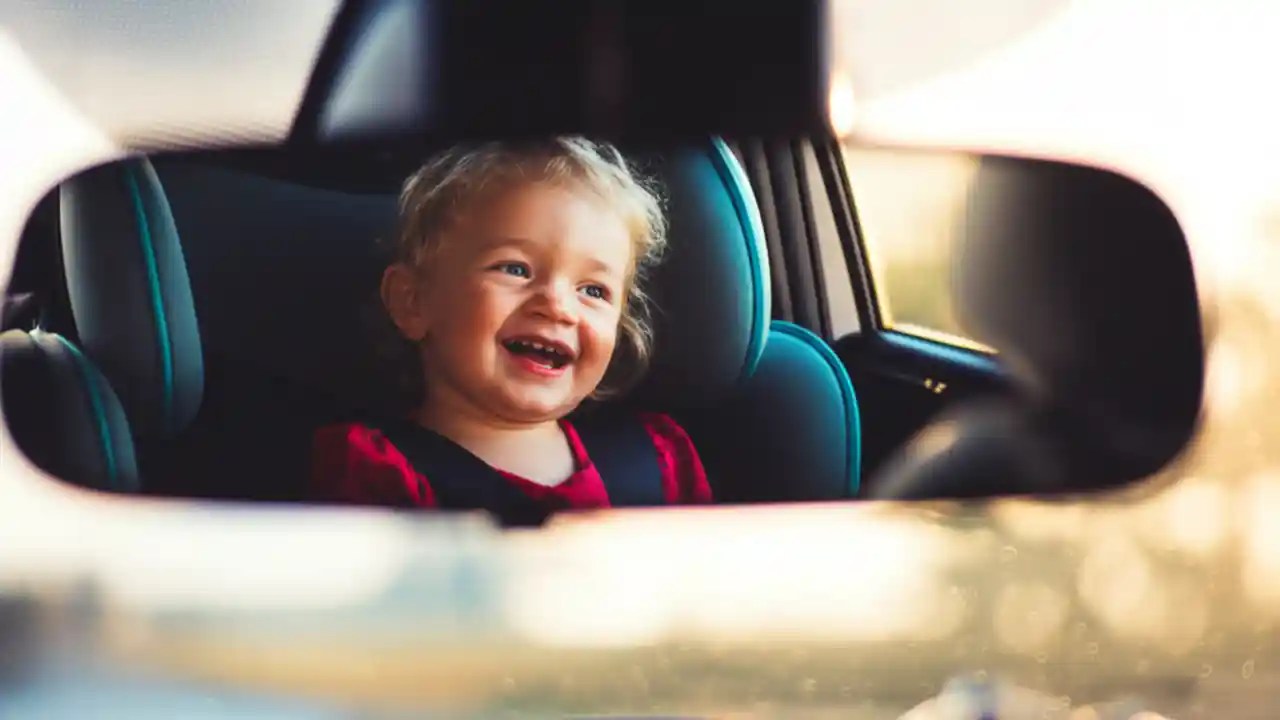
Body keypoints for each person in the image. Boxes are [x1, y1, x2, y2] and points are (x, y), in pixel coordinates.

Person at [311, 138, 710, 517]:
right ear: (413, 302)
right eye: (515, 269)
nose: (557, 306)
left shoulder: (658, 461)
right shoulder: (376, 471)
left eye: (593, 290)